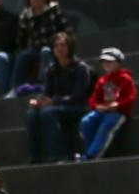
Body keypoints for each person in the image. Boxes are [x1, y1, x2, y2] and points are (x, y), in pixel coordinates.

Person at [23, 32, 95, 164]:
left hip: (77, 106)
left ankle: (59, 155)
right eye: (56, 46)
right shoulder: (52, 70)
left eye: (63, 45)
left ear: (70, 47)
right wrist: (39, 101)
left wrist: (54, 101)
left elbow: (79, 96)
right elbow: (47, 93)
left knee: (47, 113)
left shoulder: (80, 68)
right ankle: (35, 156)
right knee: (32, 113)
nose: (59, 49)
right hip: (58, 106)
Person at [10, 0, 71, 92]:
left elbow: (66, 31)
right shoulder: (25, 15)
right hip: (35, 48)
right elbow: (21, 38)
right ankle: (16, 89)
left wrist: (63, 45)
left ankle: (45, 86)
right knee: (22, 56)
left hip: (55, 47)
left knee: (45, 51)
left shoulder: (55, 10)